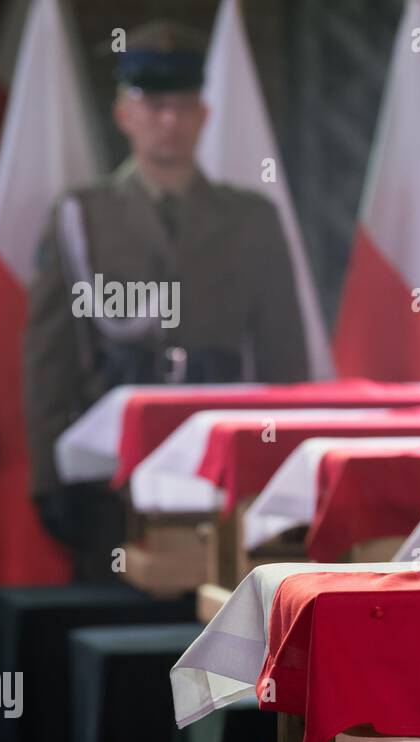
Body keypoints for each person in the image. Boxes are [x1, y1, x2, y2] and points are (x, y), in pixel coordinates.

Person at [24, 20, 310, 579]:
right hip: (113, 466)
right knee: (112, 636)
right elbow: (47, 361)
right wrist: (49, 475)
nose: (169, 122)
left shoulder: (252, 220)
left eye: (183, 107)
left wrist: (287, 464)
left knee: (218, 613)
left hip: (221, 463)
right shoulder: (82, 217)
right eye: (152, 106)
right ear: (124, 115)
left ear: (204, 114)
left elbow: (284, 353)